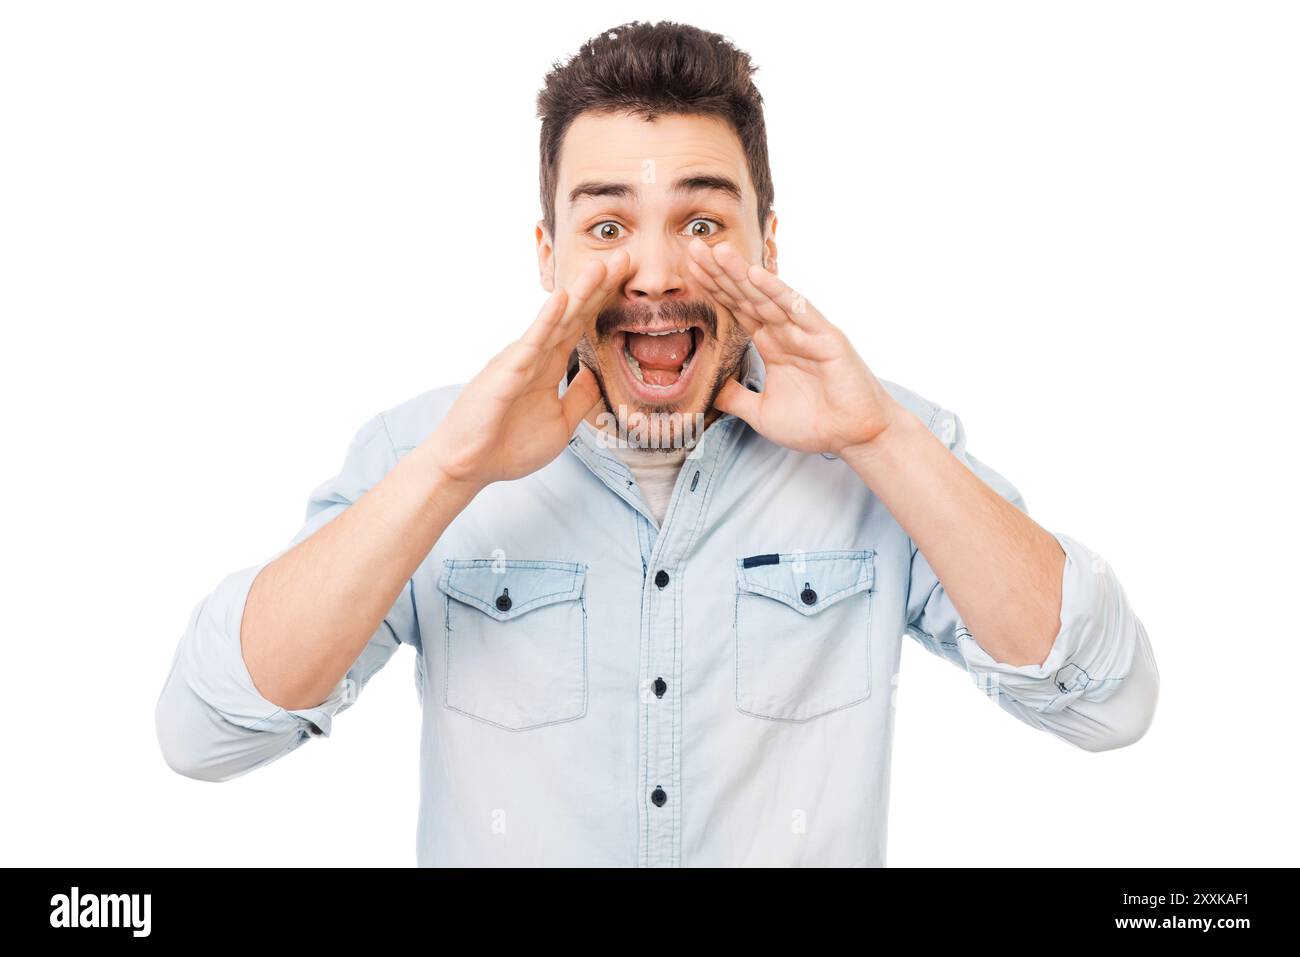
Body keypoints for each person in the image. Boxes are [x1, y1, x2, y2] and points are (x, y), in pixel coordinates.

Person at [155, 20, 1158, 867]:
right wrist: (450, 473)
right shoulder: (425, 452)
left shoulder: (887, 447)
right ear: (547, 254)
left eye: (702, 221)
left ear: (768, 240)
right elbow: (206, 734)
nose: (654, 273)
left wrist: (878, 439)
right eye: (605, 227)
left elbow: (1105, 704)